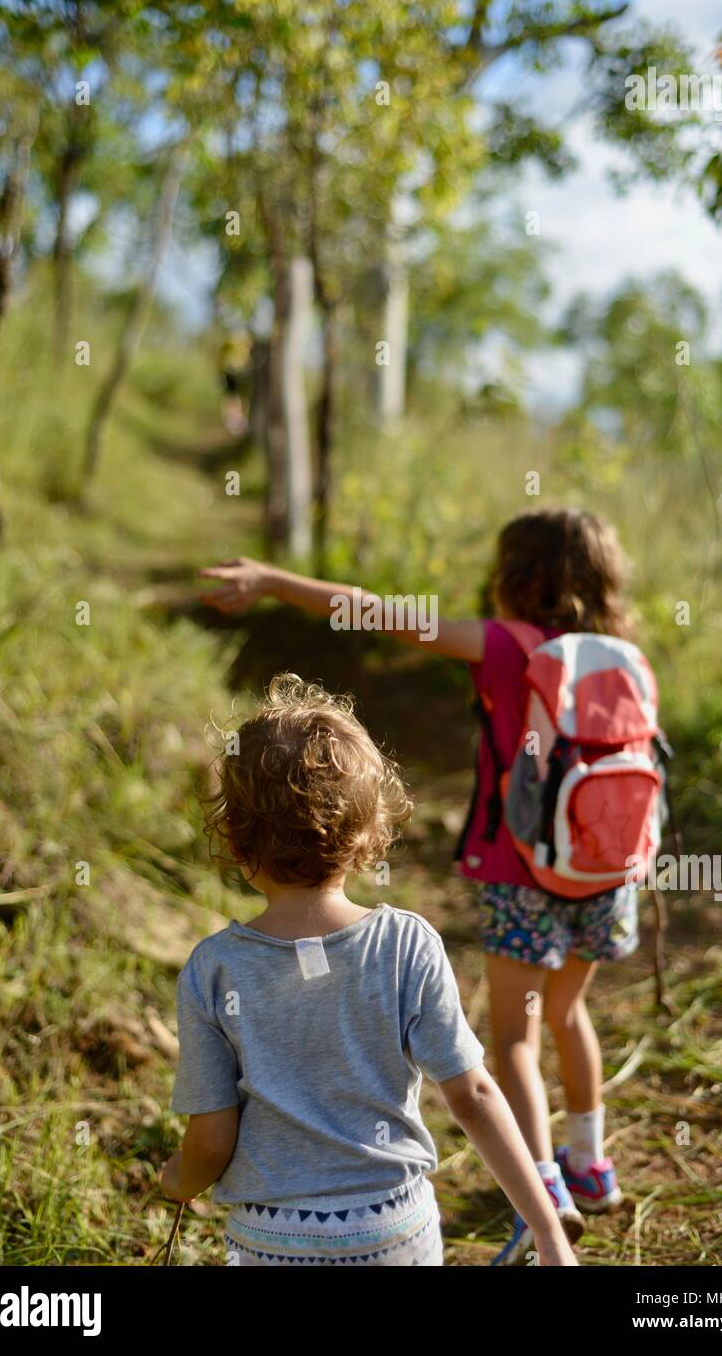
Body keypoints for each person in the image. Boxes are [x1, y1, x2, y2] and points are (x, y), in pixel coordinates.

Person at [199, 508, 641, 1264]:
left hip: (520, 871)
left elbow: (374, 610)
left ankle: (542, 1194)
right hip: (607, 870)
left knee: (512, 1040)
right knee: (569, 1011)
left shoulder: (508, 645)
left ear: (516, 577)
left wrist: (273, 581)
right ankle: (591, 1163)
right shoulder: (619, 657)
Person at [161, 673, 577, 1267]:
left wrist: (176, 1180)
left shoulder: (214, 969)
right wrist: (548, 1230)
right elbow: (475, 1095)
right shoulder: (406, 945)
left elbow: (211, 1143)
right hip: (394, 1229)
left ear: (233, 834)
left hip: (274, 1240)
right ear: (367, 834)